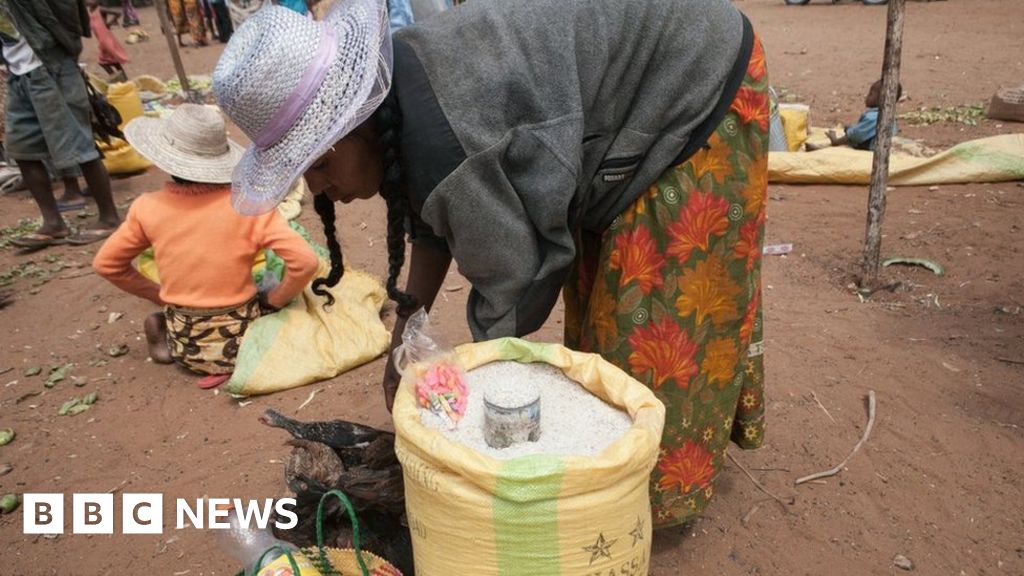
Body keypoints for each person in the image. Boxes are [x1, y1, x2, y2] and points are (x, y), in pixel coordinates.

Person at [214, 0, 768, 529]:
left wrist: (472, 408)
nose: (317, 189)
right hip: (648, 64)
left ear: (349, 130)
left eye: (315, 165)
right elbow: (433, 217)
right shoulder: (400, 102)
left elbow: (514, 285)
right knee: (604, 312)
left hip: (694, 74)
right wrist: (406, 330)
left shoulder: (447, 143)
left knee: (650, 327)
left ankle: (647, 501)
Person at [92, 104, 319, 386]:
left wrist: (160, 295)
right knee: (272, 281)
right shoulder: (248, 207)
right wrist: (274, 300)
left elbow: (106, 264)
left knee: (182, 294)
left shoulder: (146, 208)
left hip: (185, 343)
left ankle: (166, 331)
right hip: (243, 342)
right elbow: (306, 263)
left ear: (166, 160)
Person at [1, 0, 121, 249]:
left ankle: (109, 218)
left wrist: (63, 46)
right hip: (18, 74)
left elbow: (70, 11)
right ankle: (53, 223)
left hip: (51, 67)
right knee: (22, 150)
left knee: (79, 145)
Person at [812, 79, 902, 151]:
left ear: (881, 99)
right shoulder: (886, 115)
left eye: (871, 94)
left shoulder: (875, 118)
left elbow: (856, 135)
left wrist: (838, 139)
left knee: (845, 145)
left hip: (871, 148)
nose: (867, 96)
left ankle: (827, 146)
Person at [86, 0, 130, 81]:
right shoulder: (90, 11)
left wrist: (109, 23)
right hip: (101, 38)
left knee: (102, 61)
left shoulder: (100, 9)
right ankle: (123, 79)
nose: (89, 1)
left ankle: (116, 78)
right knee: (112, 61)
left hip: (105, 38)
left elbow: (118, 13)